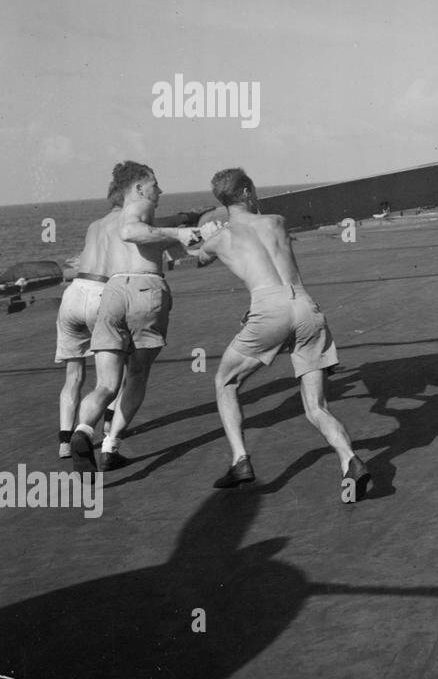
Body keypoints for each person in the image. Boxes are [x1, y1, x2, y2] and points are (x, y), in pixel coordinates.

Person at [187, 168, 368, 499]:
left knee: (225, 382)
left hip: (268, 310)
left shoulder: (221, 238)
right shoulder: (277, 222)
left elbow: (196, 259)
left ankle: (241, 459)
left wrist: (203, 232)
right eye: (252, 190)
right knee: (316, 407)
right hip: (305, 307)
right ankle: (350, 459)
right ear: (245, 192)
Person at [69, 162, 201, 471]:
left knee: (105, 385)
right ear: (138, 188)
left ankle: (82, 431)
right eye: (155, 184)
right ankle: (111, 446)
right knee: (137, 376)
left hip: (113, 291)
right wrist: (181, 231)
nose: (160, 190)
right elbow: (133, 232)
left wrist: (186, 236)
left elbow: (148, 238)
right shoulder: (137, 208)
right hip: (145, 291)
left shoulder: (112, 220)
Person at [54, 183, 125, 458]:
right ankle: (108, 427)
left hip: (73, 295)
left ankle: (64, 442)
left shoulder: (95, 225)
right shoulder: (129, 223)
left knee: (73, 376)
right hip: (100, 295)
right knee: (115, 371)